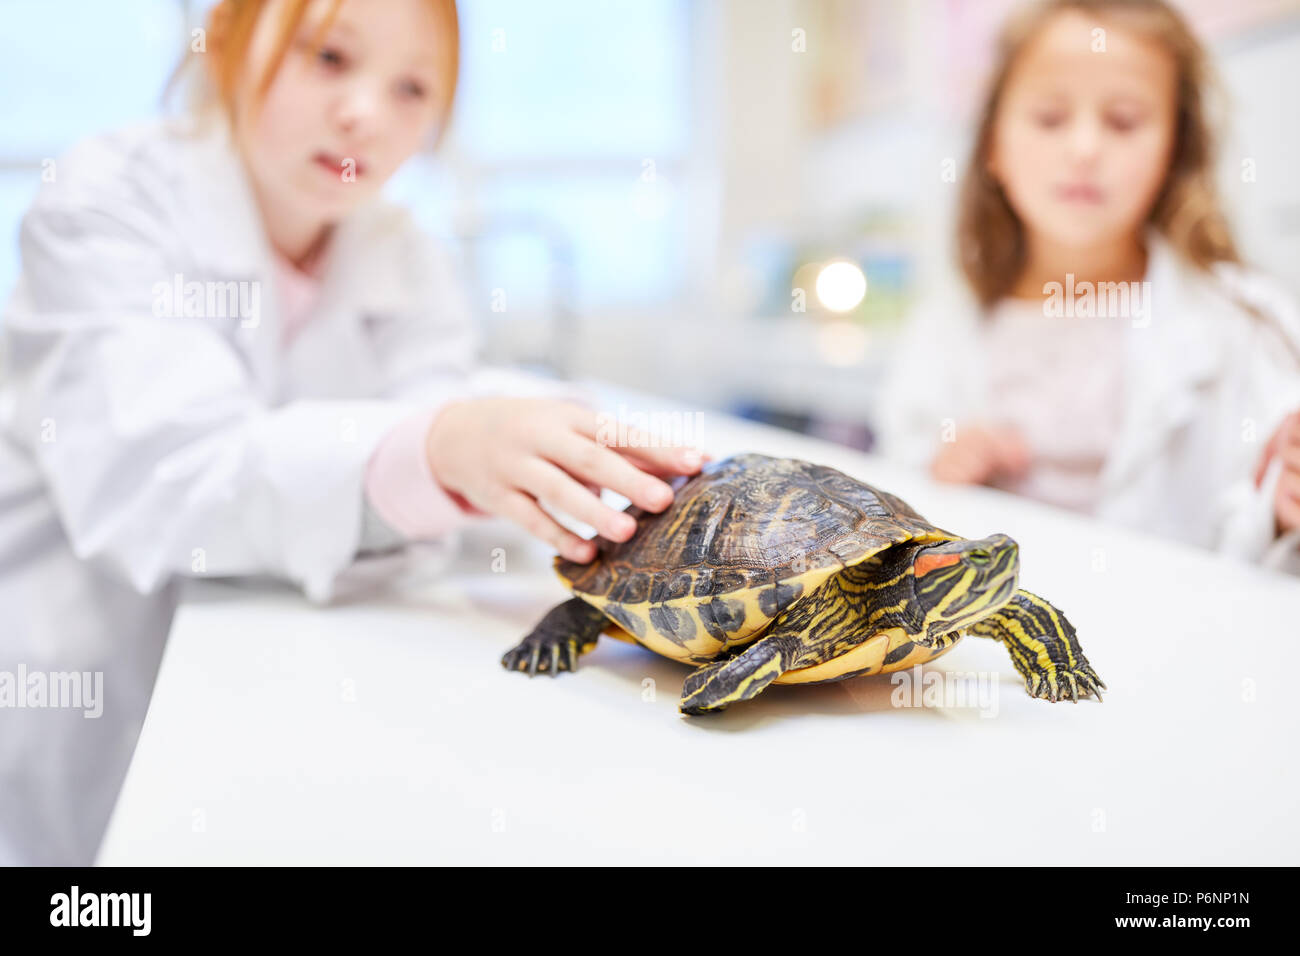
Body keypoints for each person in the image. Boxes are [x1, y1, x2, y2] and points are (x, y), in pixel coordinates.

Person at [0, 0, 702, 865]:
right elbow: (169, 477)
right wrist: (440, 449)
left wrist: (519, 441)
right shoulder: (109, 200)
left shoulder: (398, 249)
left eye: (412, 88)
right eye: (330, 57)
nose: (366, 112)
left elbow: (436, 407)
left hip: (256, 682)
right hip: (71, 667)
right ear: (224, 38)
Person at [876, 0, 1300, 575]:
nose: (1084, 149)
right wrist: (942, 482)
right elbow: (891, 507)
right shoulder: (944, 328)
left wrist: (1278, 512)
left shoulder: (1250, 326)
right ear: (993, 146)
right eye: (1050, 118)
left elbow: (1264, 542)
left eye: (1124, 121)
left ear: (1175, 151)